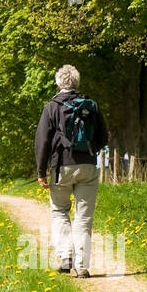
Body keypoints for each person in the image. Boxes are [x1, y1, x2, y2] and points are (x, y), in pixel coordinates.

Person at [34, 64, 108, 278]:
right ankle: (83, 266)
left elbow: (42, 141)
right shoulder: (91, 105)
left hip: (61, 167)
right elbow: (103, 136)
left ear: (58, 84)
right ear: (77, 83)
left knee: (60, 211)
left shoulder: (52, 106)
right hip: (87, 166)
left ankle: (66, 257)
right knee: (84, 218)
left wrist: (41, 171)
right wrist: (90, 151)